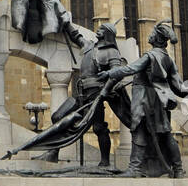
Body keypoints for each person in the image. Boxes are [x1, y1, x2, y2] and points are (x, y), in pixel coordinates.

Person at [106, 21, 188, 178]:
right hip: (160, 101)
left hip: (145, 99)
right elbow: (178, 85)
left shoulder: (150, 56)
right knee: (166, 134)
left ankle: (135, 168)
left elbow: (130, 69)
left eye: (152, 33)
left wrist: (109, 73)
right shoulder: (168, 59)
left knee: (139, 130)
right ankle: (178, 169)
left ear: (157, 38)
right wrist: (186, 90)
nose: (150, 35)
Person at [49, 18, 130, 168]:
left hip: (96, 93)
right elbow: (76, 36)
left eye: (102, 29)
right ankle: (53, 152)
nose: (98, 30)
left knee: (99, 127)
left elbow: (117, 72)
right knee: (58, 116)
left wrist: (105, 86)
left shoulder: (111, 51)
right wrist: (66, 23)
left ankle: (105, 162)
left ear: (107, 34)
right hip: (80, 93)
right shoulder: (88, 46)